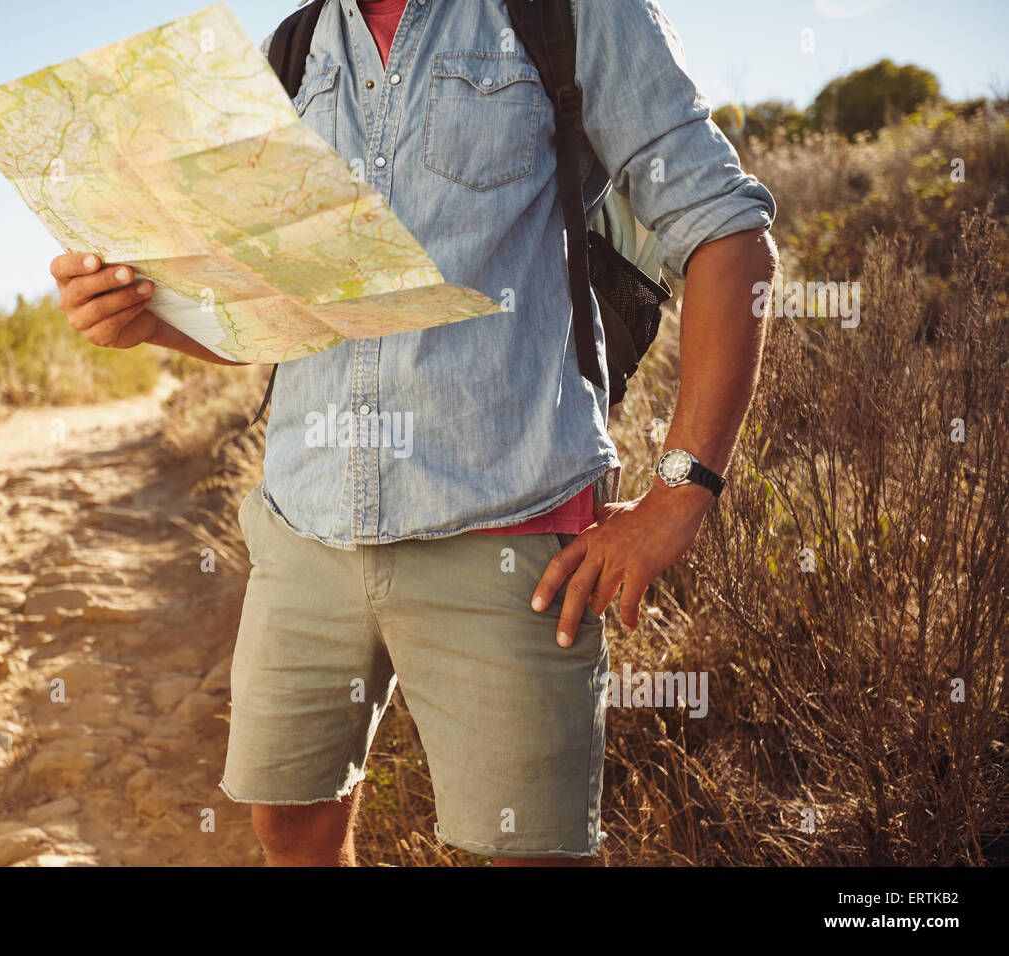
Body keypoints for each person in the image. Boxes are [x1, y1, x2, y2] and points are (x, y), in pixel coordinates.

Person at [51, 0, 778, 866]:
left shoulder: (569, 11)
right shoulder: (289, 52)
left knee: (528, 852)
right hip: (304, 527)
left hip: (509, 536)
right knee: (289, 819)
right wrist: (145, 322)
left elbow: (727, 231)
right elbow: (268, 314)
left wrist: (680, 496)